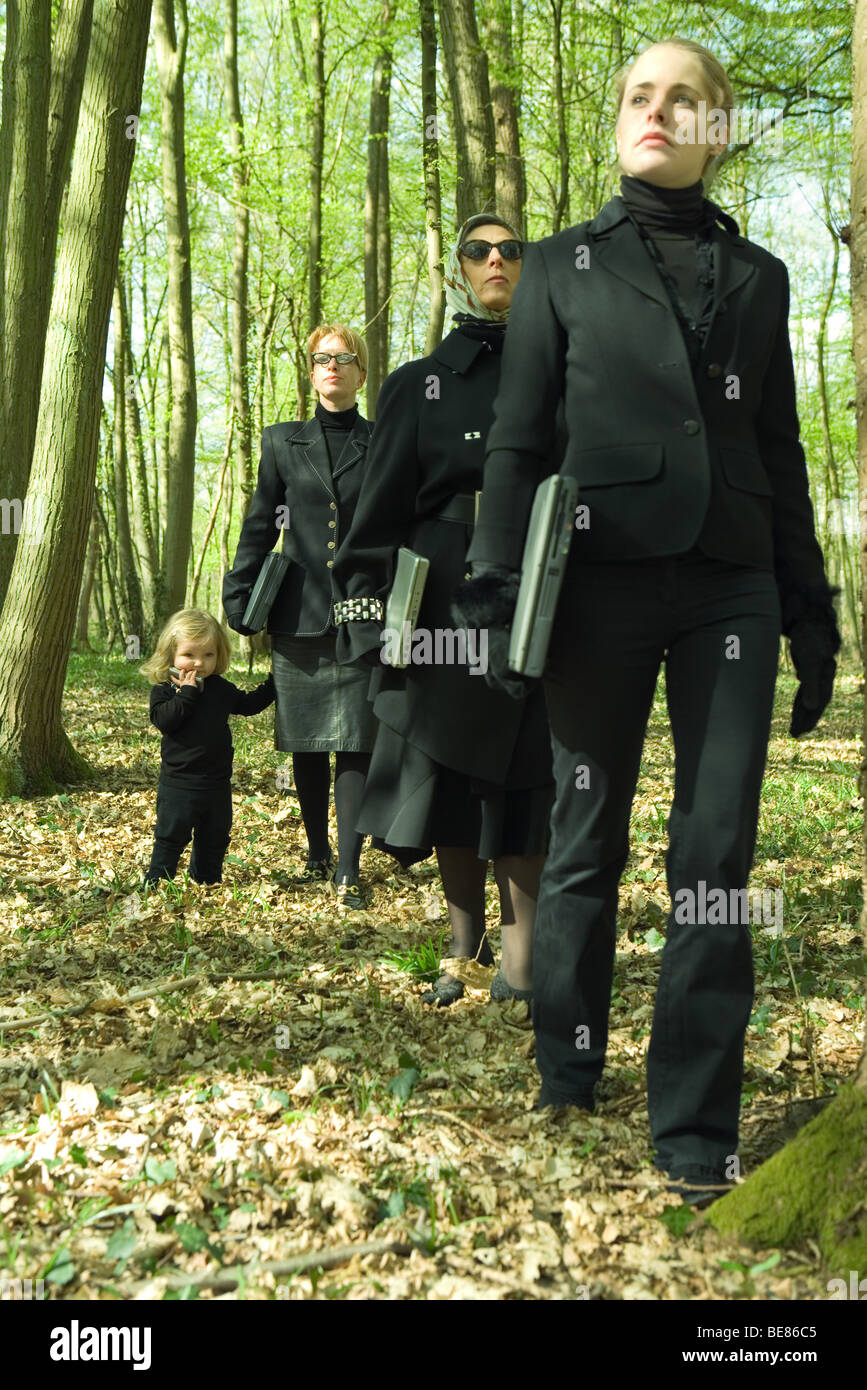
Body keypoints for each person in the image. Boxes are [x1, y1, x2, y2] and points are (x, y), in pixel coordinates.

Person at [462, 38, 840, 1202]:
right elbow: (521, 440)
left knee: (716, 853)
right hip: (597, 581)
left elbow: (776, 448)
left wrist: (811, 610)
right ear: (620, 119)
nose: (656, 111)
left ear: (720, 129)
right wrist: (488, 589)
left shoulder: (763, 276)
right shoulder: (564, 267)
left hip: (733, 584)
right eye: (639, 95)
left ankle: (693, 1128)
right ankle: (568, 1063)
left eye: (684, 98)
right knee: (586, 834)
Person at [332, 215, 556, 1006]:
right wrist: (367, 625)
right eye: (477, 250)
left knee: (526, 770)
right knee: (450, 770)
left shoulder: (561, 369)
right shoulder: (414, 383)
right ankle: (460, 946)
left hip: (533, 592)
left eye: (511, 250)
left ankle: (521, 950)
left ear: (529, 268)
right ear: (458, 269)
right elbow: (376, 513)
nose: (495, 260)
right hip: (435, 603)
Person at [222, 325, 376, 909]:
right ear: (312, 373)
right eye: (321, 359)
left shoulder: (385, 441)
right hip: (298, 610)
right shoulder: (282, 442)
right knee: (309, 742)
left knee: (357, 742)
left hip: (363, 612)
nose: (332, 366)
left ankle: (349, 869)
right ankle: (317, 852)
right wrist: (239, 598)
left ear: (361, 373)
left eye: (343, 358)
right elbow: (261, 523)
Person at [141, 608, 275, 885]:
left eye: (208, 655)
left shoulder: (219, 688)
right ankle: (157, 882)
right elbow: (164, 720)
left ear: (219, 656)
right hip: (178, 784)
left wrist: (273, 684)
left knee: (214, 837)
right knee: (170, 836)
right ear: (171, 655)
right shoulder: (165, 690)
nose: (199, 663)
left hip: (216, 784)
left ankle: (207, 881)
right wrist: (187, 694)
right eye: (189, 655)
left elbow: (247, 705)